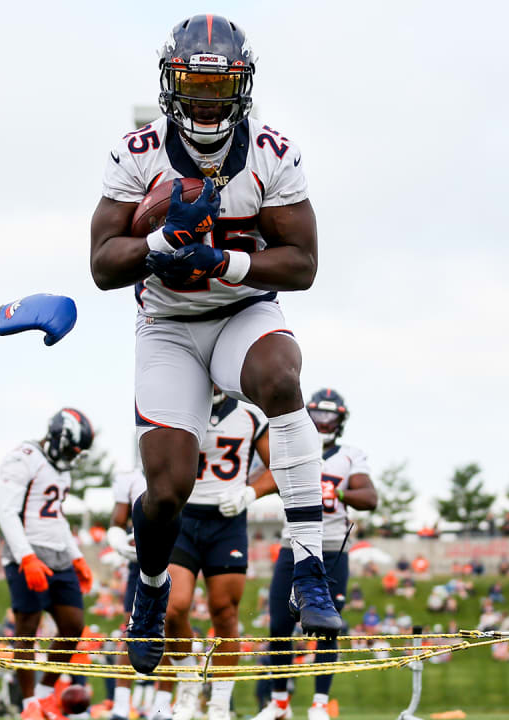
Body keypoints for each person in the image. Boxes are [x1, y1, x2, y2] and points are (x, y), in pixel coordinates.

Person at [89, 13, 339, 675]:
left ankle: (310, 567)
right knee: (167, 489)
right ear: (170, 84)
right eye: (191, 85)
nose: (204, 100)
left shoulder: (272, 152)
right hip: (168, 326)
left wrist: (220, 262)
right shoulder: (136, 152)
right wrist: (160, 246)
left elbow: (304, 264)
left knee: (283, 379)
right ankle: (146, 592)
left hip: (240, 311)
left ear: (243, 85)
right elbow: (102, 265)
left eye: (218, 85)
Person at [250, 389, 377, 720]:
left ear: (341, 420)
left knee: (327, 627)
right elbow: (260, 478)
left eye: (329, 416)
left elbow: (370, 497)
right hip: (291, 545)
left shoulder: (349, 456)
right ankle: (279, 703)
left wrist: (340, 491)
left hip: (333, 548)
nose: (323, 422)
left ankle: (320, 704)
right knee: (279, 625)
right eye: (317, 415)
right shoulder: (292, 448)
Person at [145, 389, 269, 720]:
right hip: (183, 518)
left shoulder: (251, 415)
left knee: (225, 613)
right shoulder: (177, 406)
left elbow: (279, 467)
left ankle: (219, 703)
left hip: (226, 523)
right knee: (173, 608)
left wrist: (251, 492)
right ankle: (187, 684)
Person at [0, 409, 95, 720]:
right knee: (27, 628)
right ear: (56, 437)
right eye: (69, 449)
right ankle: (29, 706)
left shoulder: (60, 469)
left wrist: (76, 554)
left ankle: (42, 694)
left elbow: (57, 517)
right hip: (27, 552)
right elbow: (7, 513)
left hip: (58, 555)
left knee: (73, 626)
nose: (69, 457)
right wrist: (26, 557)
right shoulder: (23, 457)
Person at [104, 466, 147, 720]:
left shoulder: (184, 467)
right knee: (129, 631)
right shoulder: (130, 477)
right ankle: (121, 704)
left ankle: (163, 705)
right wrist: (120, 542)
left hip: (173, 554)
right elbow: (118, 522)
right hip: (138, 559)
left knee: (170, 629)